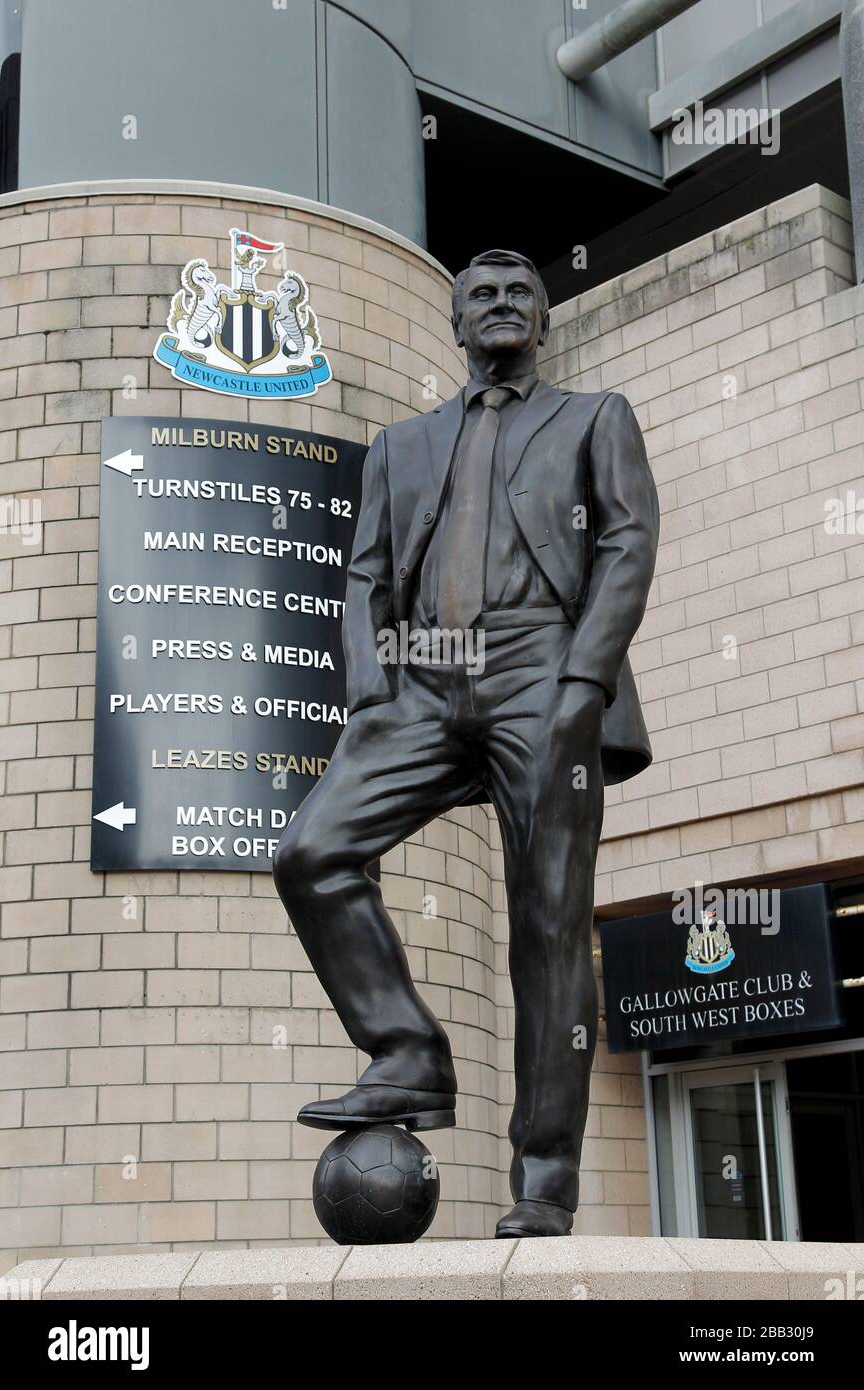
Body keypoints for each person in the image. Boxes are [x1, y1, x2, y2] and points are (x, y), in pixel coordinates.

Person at [273, 249, 659, 1237]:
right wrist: (369, 694)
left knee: (545, 924)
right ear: (454, 324)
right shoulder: (401, 443)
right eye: (479, 294)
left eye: (517, 294)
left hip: (542, 668)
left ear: (541, 318)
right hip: (419, 674)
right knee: (310, 850)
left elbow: (625, 541)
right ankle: (406, 1051)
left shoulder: (592, 418)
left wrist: (584, 677)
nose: (499, 305)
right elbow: (362, 579)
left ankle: (541, 1182)